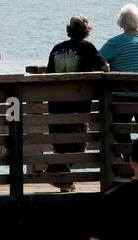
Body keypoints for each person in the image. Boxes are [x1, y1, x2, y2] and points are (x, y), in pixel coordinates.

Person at [45, 16, 108, 190]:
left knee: (60, 145)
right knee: (79, 144)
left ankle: (64, 182)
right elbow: (105, 68)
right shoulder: (87, 47)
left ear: (69, 29)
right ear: (87, 30)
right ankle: (54, 172)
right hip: (78, 106)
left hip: (56, 105)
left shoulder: (57, 49)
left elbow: (49, 74)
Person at [98, 4, 138, 162]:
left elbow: (96, 58)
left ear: (121, 23)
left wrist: (107, 67)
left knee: (120, 129)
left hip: (125, 94)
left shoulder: (116, 42)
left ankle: (128, 161)